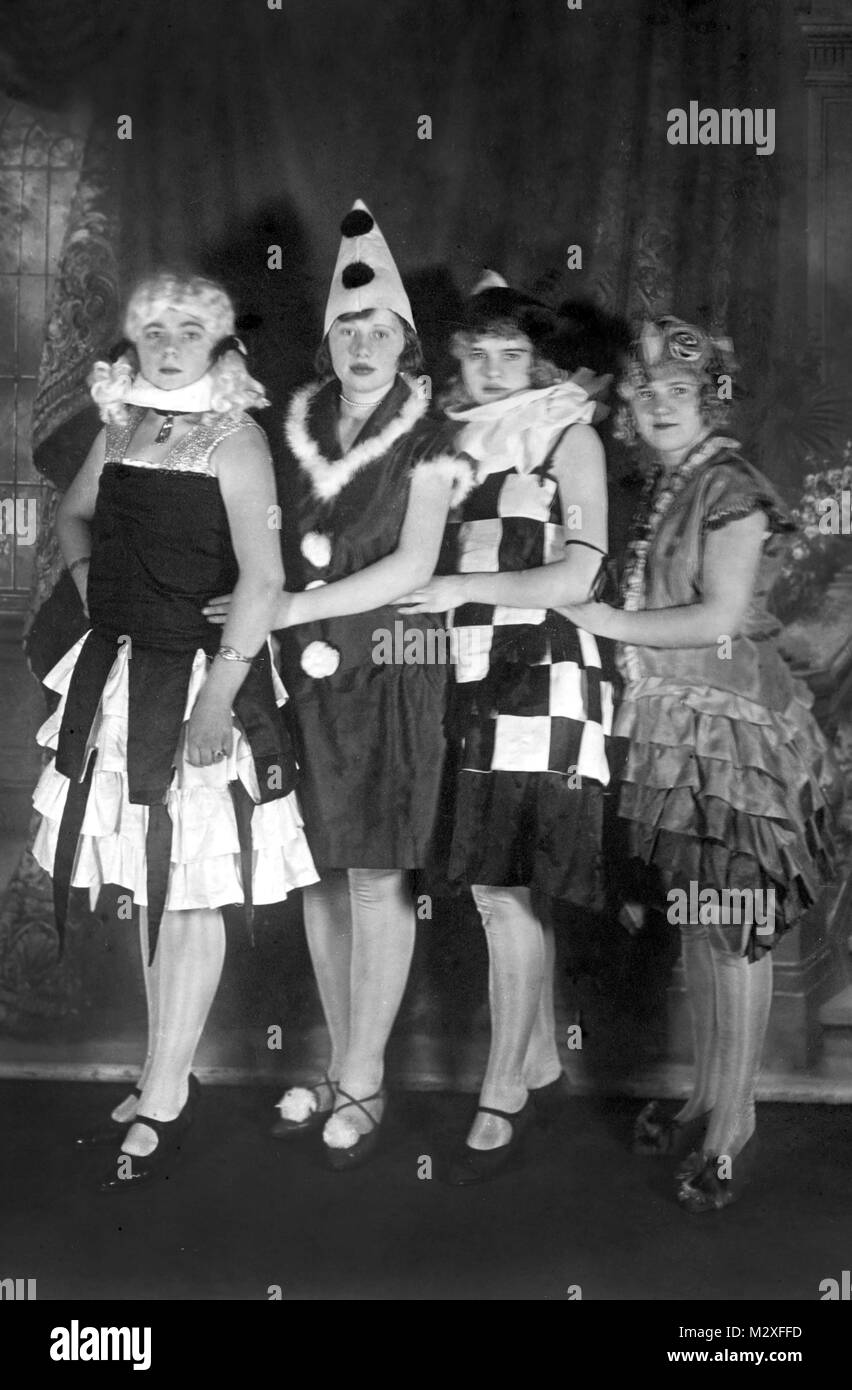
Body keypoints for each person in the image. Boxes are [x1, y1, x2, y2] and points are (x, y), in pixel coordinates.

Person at [33, 272, 318, 1192]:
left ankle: (164, 1091)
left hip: (201, 677)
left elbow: (266, 581)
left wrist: (217, 701)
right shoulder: (121, 422)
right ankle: (166, 1070)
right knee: (148, 880)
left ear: (218, 343)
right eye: (154, 328)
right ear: (134, 338)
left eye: (188, 329)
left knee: (191, 884)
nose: (167, 343)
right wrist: (85, 579)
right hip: (121, 673)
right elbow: (73, 513)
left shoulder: (238, 438)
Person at [206, 201, 472, 1169]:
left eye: (381, 331)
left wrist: (292, 612)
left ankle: (363, 1075)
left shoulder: (433, 433)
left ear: (407, 340)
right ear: (330, 339)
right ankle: (342, 1058)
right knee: (317, 866)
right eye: (348, 331)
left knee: (374, 871)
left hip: (391, 672)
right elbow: (263, 539)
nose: (363, 345)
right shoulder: (297, 422)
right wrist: (253, 606)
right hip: (304, 679)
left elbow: (413, 569)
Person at [560, 316, 839, 1212]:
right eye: (645, 394)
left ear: (711, 400)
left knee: (735, 928)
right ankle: (706, 1095)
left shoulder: (734, 488)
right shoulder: (671, 480)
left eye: (678, 392)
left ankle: (736, 1123)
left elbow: (717, 617)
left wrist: (606, 626)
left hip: (735, 741)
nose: (658, 406)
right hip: (677, 730)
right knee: (701, 920)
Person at [396, 273, 618, 1183]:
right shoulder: (445, 438)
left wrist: (455, 589)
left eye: (512, 354)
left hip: (552, 669)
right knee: (505, 882)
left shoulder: (570, 434)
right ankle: (534, 1059)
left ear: (540, 360)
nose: (493, 370)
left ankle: (502, 1086)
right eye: (478, 353)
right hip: (470, 670)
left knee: (503, 885)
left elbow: (581, 576)